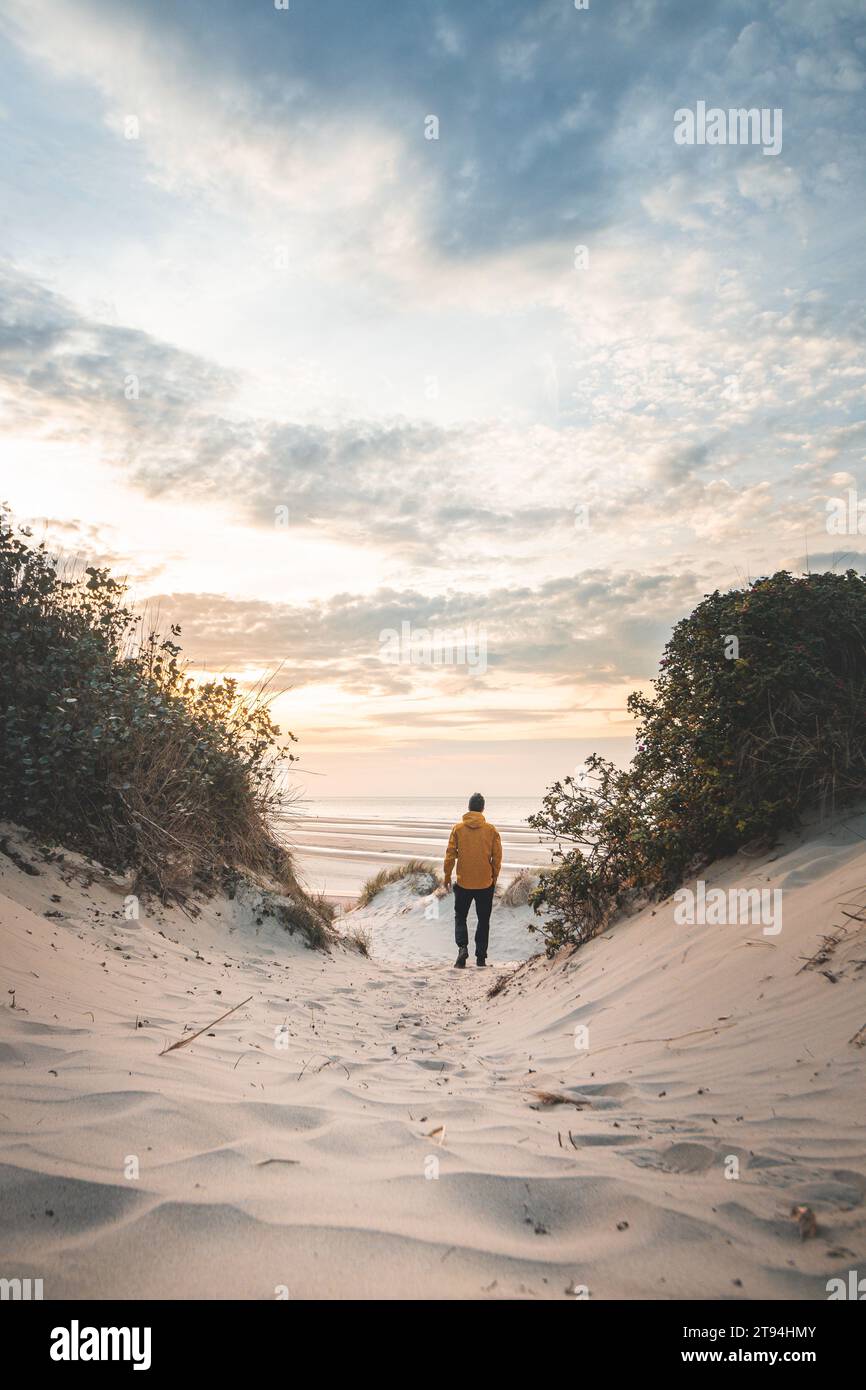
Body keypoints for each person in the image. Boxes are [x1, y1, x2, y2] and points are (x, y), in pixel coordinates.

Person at [443, 793, 502, 968]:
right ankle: (481, 958)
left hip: (463, 883)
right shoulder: (491, 830)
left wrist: (447, 876)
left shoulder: (458, 829)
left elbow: (450, 855)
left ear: (469, 808)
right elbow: (497, 857)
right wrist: (494, 876)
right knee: (484, 920)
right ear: (482, 809)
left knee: (460, 917)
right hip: (485, 883)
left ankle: (462, 948)